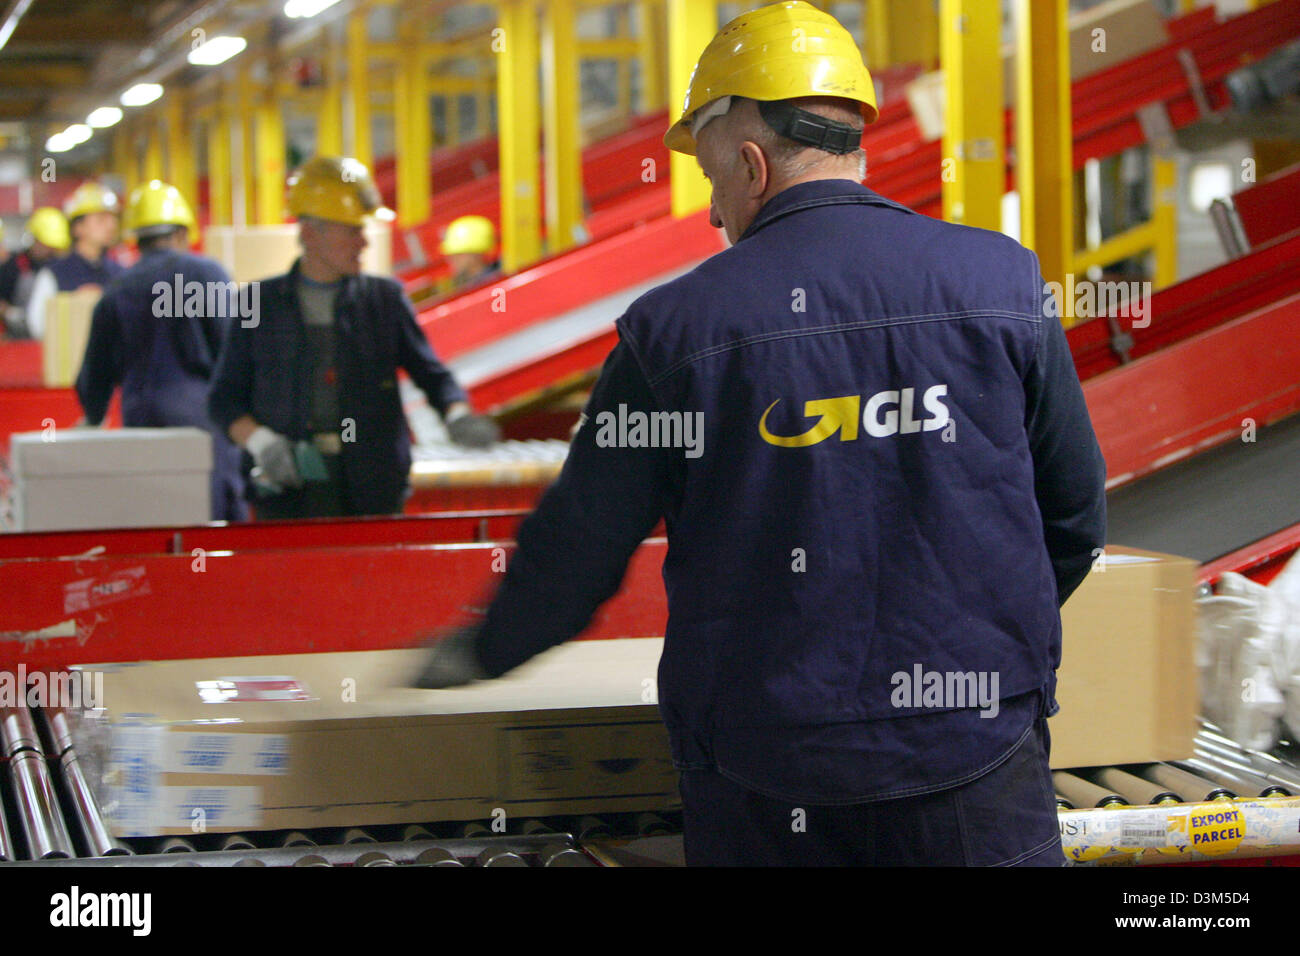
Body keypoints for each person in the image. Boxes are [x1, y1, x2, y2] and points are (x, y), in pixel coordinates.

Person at [412, 1, 1107, 867]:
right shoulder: (1003, 280)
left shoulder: (674, 332)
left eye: (711, 182)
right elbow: (1074, 519)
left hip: (767, 777)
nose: (712, 214)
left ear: (750, 162)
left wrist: (481, 651)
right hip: (976, 765)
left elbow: (582, 547)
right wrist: (989, 659)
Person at [208, 156, 501, 520]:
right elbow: (223, 399)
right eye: (352, 230)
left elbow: (432, 374)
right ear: (311, 233)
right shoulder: (260, 304)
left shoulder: (384, 301)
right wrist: (262, 443)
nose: (364, 242)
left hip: (373, 488)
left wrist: (456, 413)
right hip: (287, 490)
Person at [75, 180, 247, 522]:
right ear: (183, 233)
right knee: (215, 524)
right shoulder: (208, 273)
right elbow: (234, 353)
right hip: (204, 421)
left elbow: (94, 375)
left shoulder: (116, 289)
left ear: (135, 239)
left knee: (155, 521)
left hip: (140, 422)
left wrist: (93, 417)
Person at [27, 182, 124, 339]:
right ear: (77, 227)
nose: (111, 226)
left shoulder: (120, 272)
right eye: (101, 219)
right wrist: (73, 305)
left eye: (113, 219)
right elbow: (37, 326)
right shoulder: (55, 274)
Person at [0, 207, 70, 338]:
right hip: (16, 342)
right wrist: (10, 313)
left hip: (53, 337)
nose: (50, 251)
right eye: (46, 245)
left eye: (54, 248)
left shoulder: (60, 269)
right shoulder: (12, 266)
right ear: (35, 239)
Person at [439, 214, 500, 291]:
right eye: (451, 255)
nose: (452, 259)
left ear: (476, 253)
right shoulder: (466, 284)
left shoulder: (491, 284)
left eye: (459, 254)